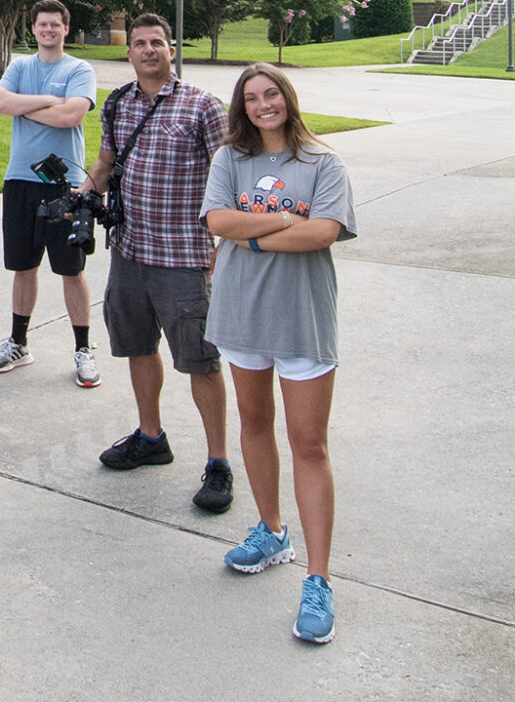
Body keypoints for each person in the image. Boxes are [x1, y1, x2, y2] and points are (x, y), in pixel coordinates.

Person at [202, 63, 357, 645]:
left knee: (310, 444)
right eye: (252, 98)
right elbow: (216, 219)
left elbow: (324, 233)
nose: (264, 105)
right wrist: (286, 219)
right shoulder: (229, 160)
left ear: (287, 99)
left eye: (272, 95)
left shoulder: (323, 163)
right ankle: (271, 531)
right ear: (242, 107)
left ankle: (318, 578)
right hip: (242, 314)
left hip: (301, 318)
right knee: (254, 424)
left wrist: (252, 234)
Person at [86, 14, 233, 513]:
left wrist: (223, 241)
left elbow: (230, 174)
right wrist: (85, 191)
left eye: (157, 43)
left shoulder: (203, 107)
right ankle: (151, 437)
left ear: (172, 50)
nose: (148, 50)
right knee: (136, 347)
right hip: (128, 251)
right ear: (128, 52)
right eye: (139, 43)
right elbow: (107, 162)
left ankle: (219, 463)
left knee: (200, 361)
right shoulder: (118, 103)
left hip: (183, 257)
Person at [0, 0, 102, 385]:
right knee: (23, 266)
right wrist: (46, 102)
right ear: (32, 28)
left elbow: (72, 115)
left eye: (55, 24)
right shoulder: (20, 65)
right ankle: (19, 343)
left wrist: (23, 107)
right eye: (42, 25)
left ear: (66, 29)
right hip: (19, 180)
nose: (48, 30)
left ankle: (83, 350)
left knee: (71, 269)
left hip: (63, 184)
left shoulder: (79, 69)